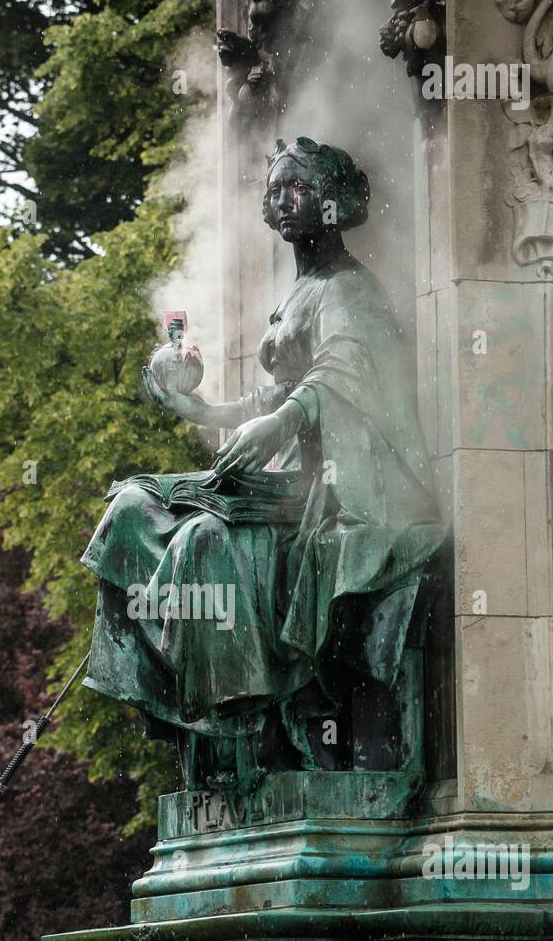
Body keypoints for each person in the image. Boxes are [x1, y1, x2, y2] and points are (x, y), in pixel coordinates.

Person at [81, 136, 444, 786]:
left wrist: (283, 418)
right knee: (132, 507)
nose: (280, 201)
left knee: (201, 539)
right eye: (273, 190)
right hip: (293, 481)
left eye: (296, 188)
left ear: (331, 204)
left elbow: (344, 369)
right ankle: (190, 712)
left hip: (345, 485)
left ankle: (245, 719)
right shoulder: (298, 291)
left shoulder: (347, 287)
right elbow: (265, 399)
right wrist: (192, 407)